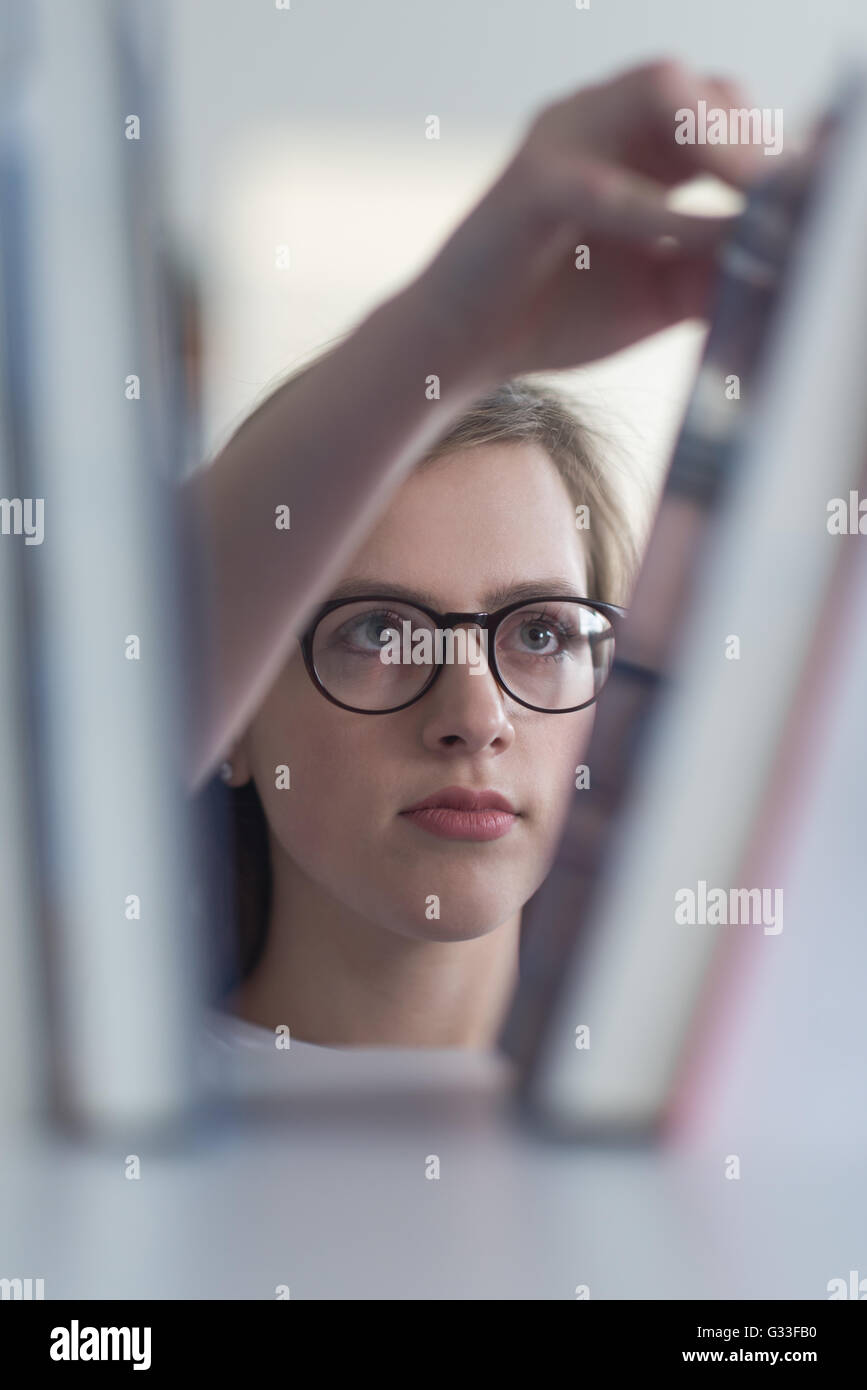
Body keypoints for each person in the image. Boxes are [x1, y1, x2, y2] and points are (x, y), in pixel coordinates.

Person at [183, 59, 768, 1050]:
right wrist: (449, 332)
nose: (475, 718)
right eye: (379, 630)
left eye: (541, 630)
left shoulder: (683, 1114)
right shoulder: (55, 1097)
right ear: (236, 716)